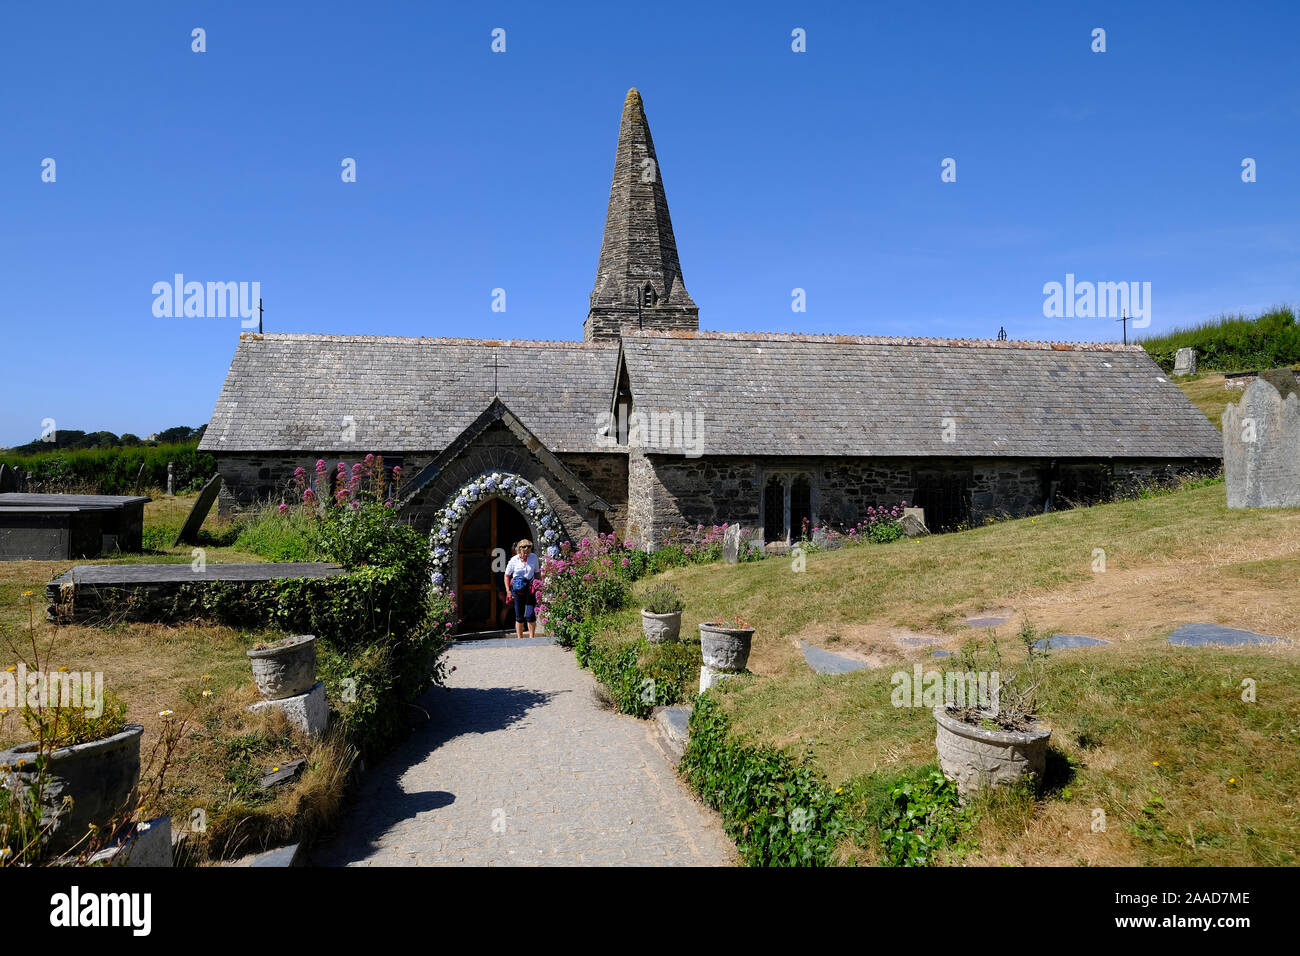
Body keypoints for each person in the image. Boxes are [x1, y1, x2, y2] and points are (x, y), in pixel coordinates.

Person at [503, 539, 540, 639]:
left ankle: (531, 638)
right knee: (519, 615)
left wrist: (539, 586)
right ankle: (520, 639)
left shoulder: (534, 558)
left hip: (530, 588)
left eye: (528, 552)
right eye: (524, 552)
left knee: (530, 614)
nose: (526, 555)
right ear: (519, 550)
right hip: (517, 589)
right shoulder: (513, 560)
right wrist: (508, 591)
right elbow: (506, 576)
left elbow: (537, 573)